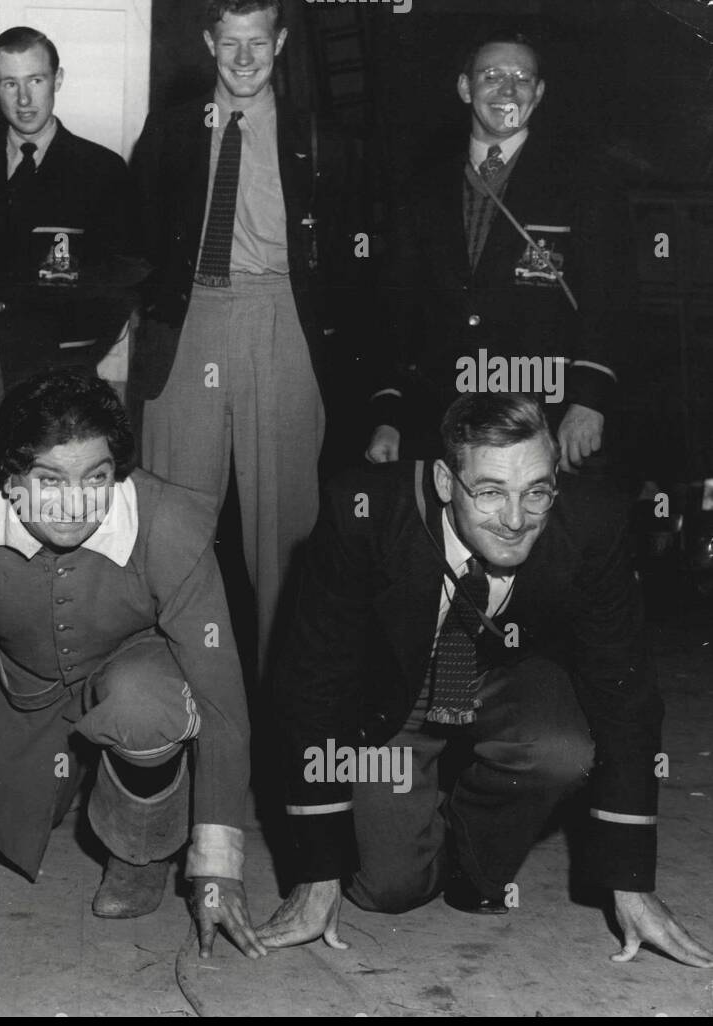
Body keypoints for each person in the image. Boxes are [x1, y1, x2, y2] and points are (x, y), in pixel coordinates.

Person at [261, 393, 711, 968]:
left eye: (537, 492)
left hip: (507, 675)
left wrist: (631, 882)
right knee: (387, 890)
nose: (516, 519)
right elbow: (312, 685)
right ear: (448, 482)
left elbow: (626, 696)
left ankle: (473, 852)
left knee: (560, 749)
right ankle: (415, 807)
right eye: (491, 491)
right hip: (392, 694)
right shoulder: (364, 510)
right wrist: (317, 874)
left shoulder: (594, 522)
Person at [0, 372, 262, 959]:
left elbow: (220, 695)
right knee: (9, 812)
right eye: (48, 480)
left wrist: (218, 865)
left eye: (96, 478)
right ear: (9, 479)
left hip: (135, 667)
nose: (75, 502)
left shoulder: (169, 523)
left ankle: (137, 851)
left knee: (146, 705)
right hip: (19, 694)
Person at [130, 0, 361, 679]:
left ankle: (283, 698)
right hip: (189, 318)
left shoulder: (320, 136)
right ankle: (169, 692)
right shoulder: (170, 130)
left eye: (256, 42)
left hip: (279, 315)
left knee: (284, 525)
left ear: (280, 42)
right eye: (230, 43)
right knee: (171, 510)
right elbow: (136, 240)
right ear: (209, 42)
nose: (243, 58)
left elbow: (350, 261)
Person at [365, 31, 628, 468]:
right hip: (442, 414)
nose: (507, 90)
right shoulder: (422, 185)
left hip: (543, 409)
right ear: (466, 88)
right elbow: (397, 306)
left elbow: (612, 296)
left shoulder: (585, 181)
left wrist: (589, 401)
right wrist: (389, 414)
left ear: (538, 93)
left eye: (522, 78)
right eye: (491, 76)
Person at [0, 26, 141, 493]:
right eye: (9, 83)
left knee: (48, 507)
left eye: (36, 80)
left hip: (56, 377)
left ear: (58, 79)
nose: (24, 98)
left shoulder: (101, 171)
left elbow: (116, 284)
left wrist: (69, 354)